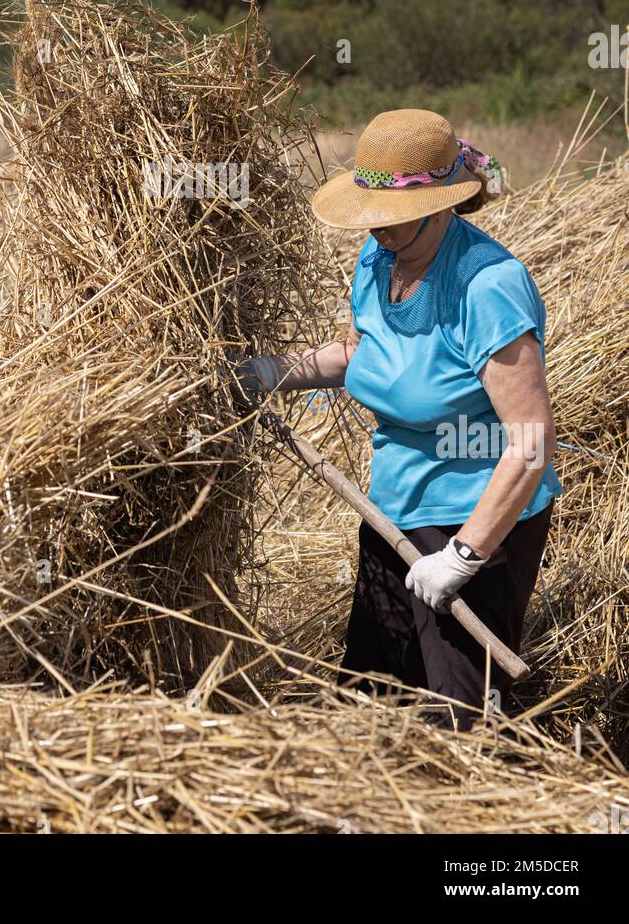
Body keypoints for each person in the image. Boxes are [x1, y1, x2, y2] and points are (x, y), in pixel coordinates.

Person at [236, 108, 562, 730]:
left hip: (478, 518)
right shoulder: (379, 258)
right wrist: (269, 371)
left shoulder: (487, 286)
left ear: (442, 205)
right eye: (372, 215)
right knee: (374, 698)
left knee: (460, 718)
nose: (378, 229)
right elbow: (362, 357)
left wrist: (463, 556)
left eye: (393, 217)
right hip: (393, 514)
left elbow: (529, 442)